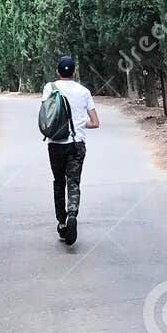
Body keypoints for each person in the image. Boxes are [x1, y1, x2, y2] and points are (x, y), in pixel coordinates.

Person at [42, 54, 99, 246]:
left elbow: (47, 116)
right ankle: (72, 213)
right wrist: (80, 125)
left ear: (57, 71)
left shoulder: (50, 88)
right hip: (76, 144)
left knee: (59, 182)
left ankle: (61, 222)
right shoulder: (84, 92)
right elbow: (95, 123)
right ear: (74, 72)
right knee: (73, 181)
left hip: (55, 143)